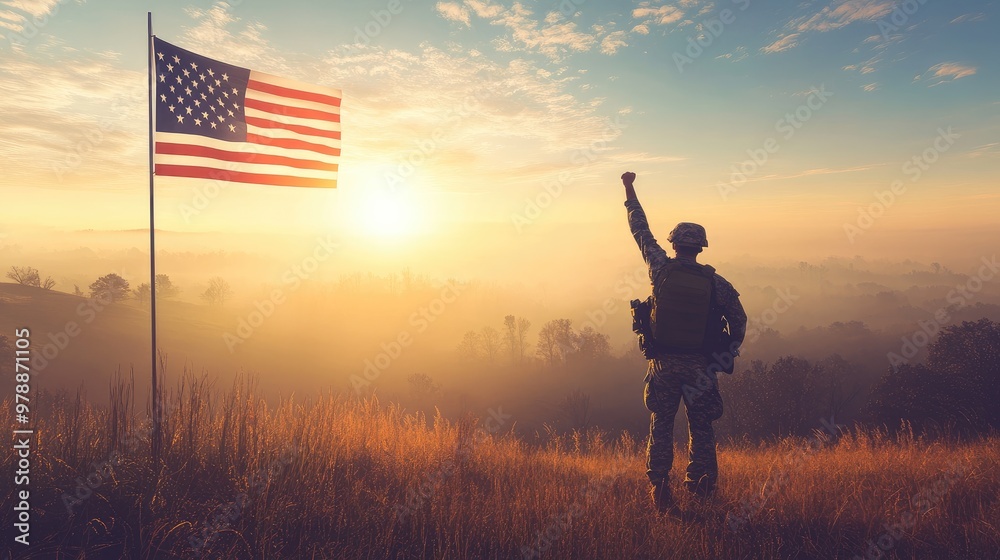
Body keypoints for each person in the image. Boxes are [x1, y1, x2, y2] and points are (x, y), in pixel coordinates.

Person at [620, 171, 747, 514]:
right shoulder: (717, 283)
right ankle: (702, 486)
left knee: (661, 424)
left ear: (674, 244)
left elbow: (640, 229)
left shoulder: (659, 268)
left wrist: (629, 189)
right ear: (700, 246)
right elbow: (739, 321)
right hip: (701, 368)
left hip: (663, 365)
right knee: (701, 427)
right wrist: (726, 350)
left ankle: (660, 489)